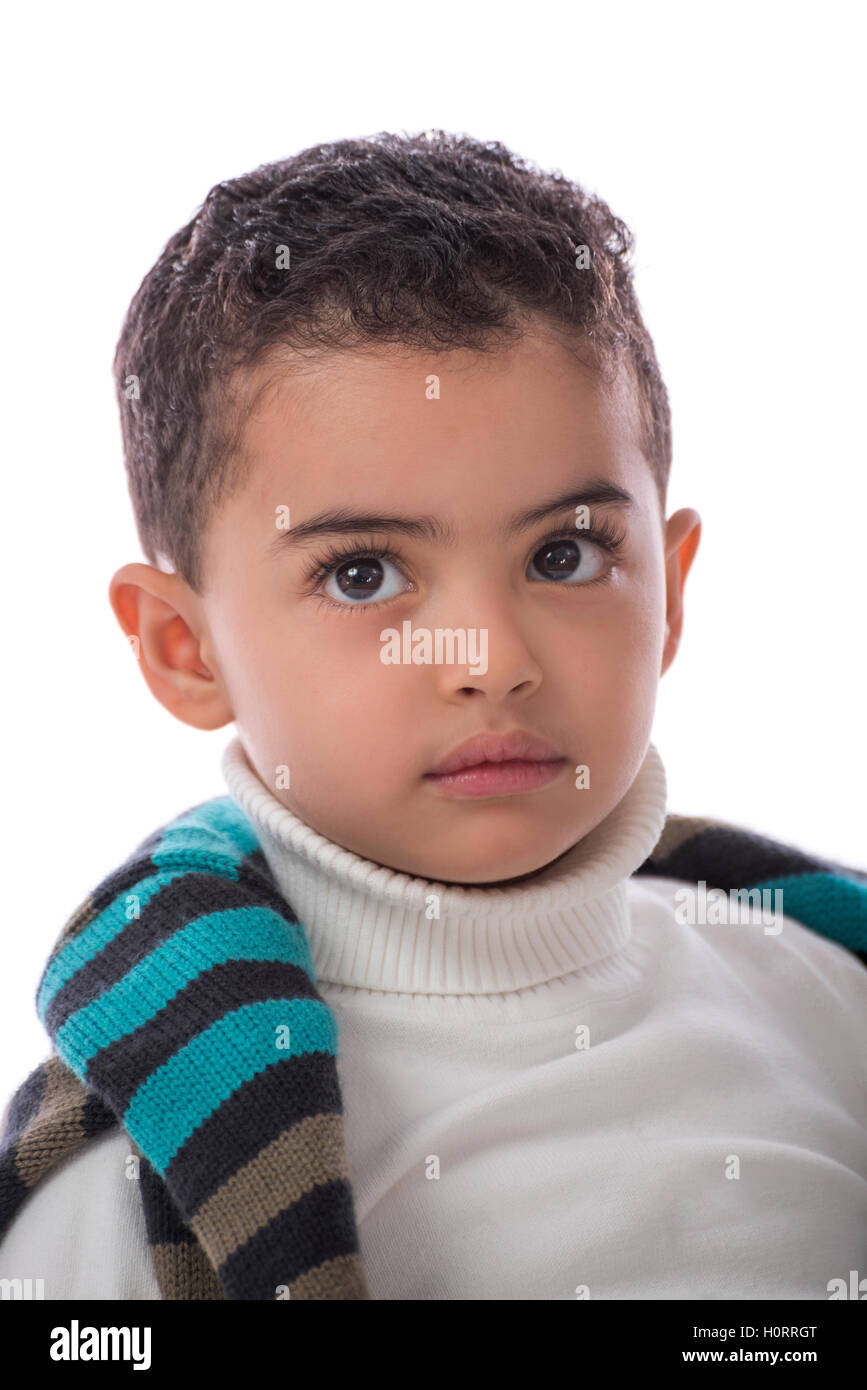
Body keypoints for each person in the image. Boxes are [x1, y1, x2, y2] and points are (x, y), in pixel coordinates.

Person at [1, 130, 864, 1301]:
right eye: (364, 573)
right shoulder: (133, 1185)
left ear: (668, 591)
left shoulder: (824, 995)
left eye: (565, 553)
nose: (492, 661)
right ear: (183, 646)